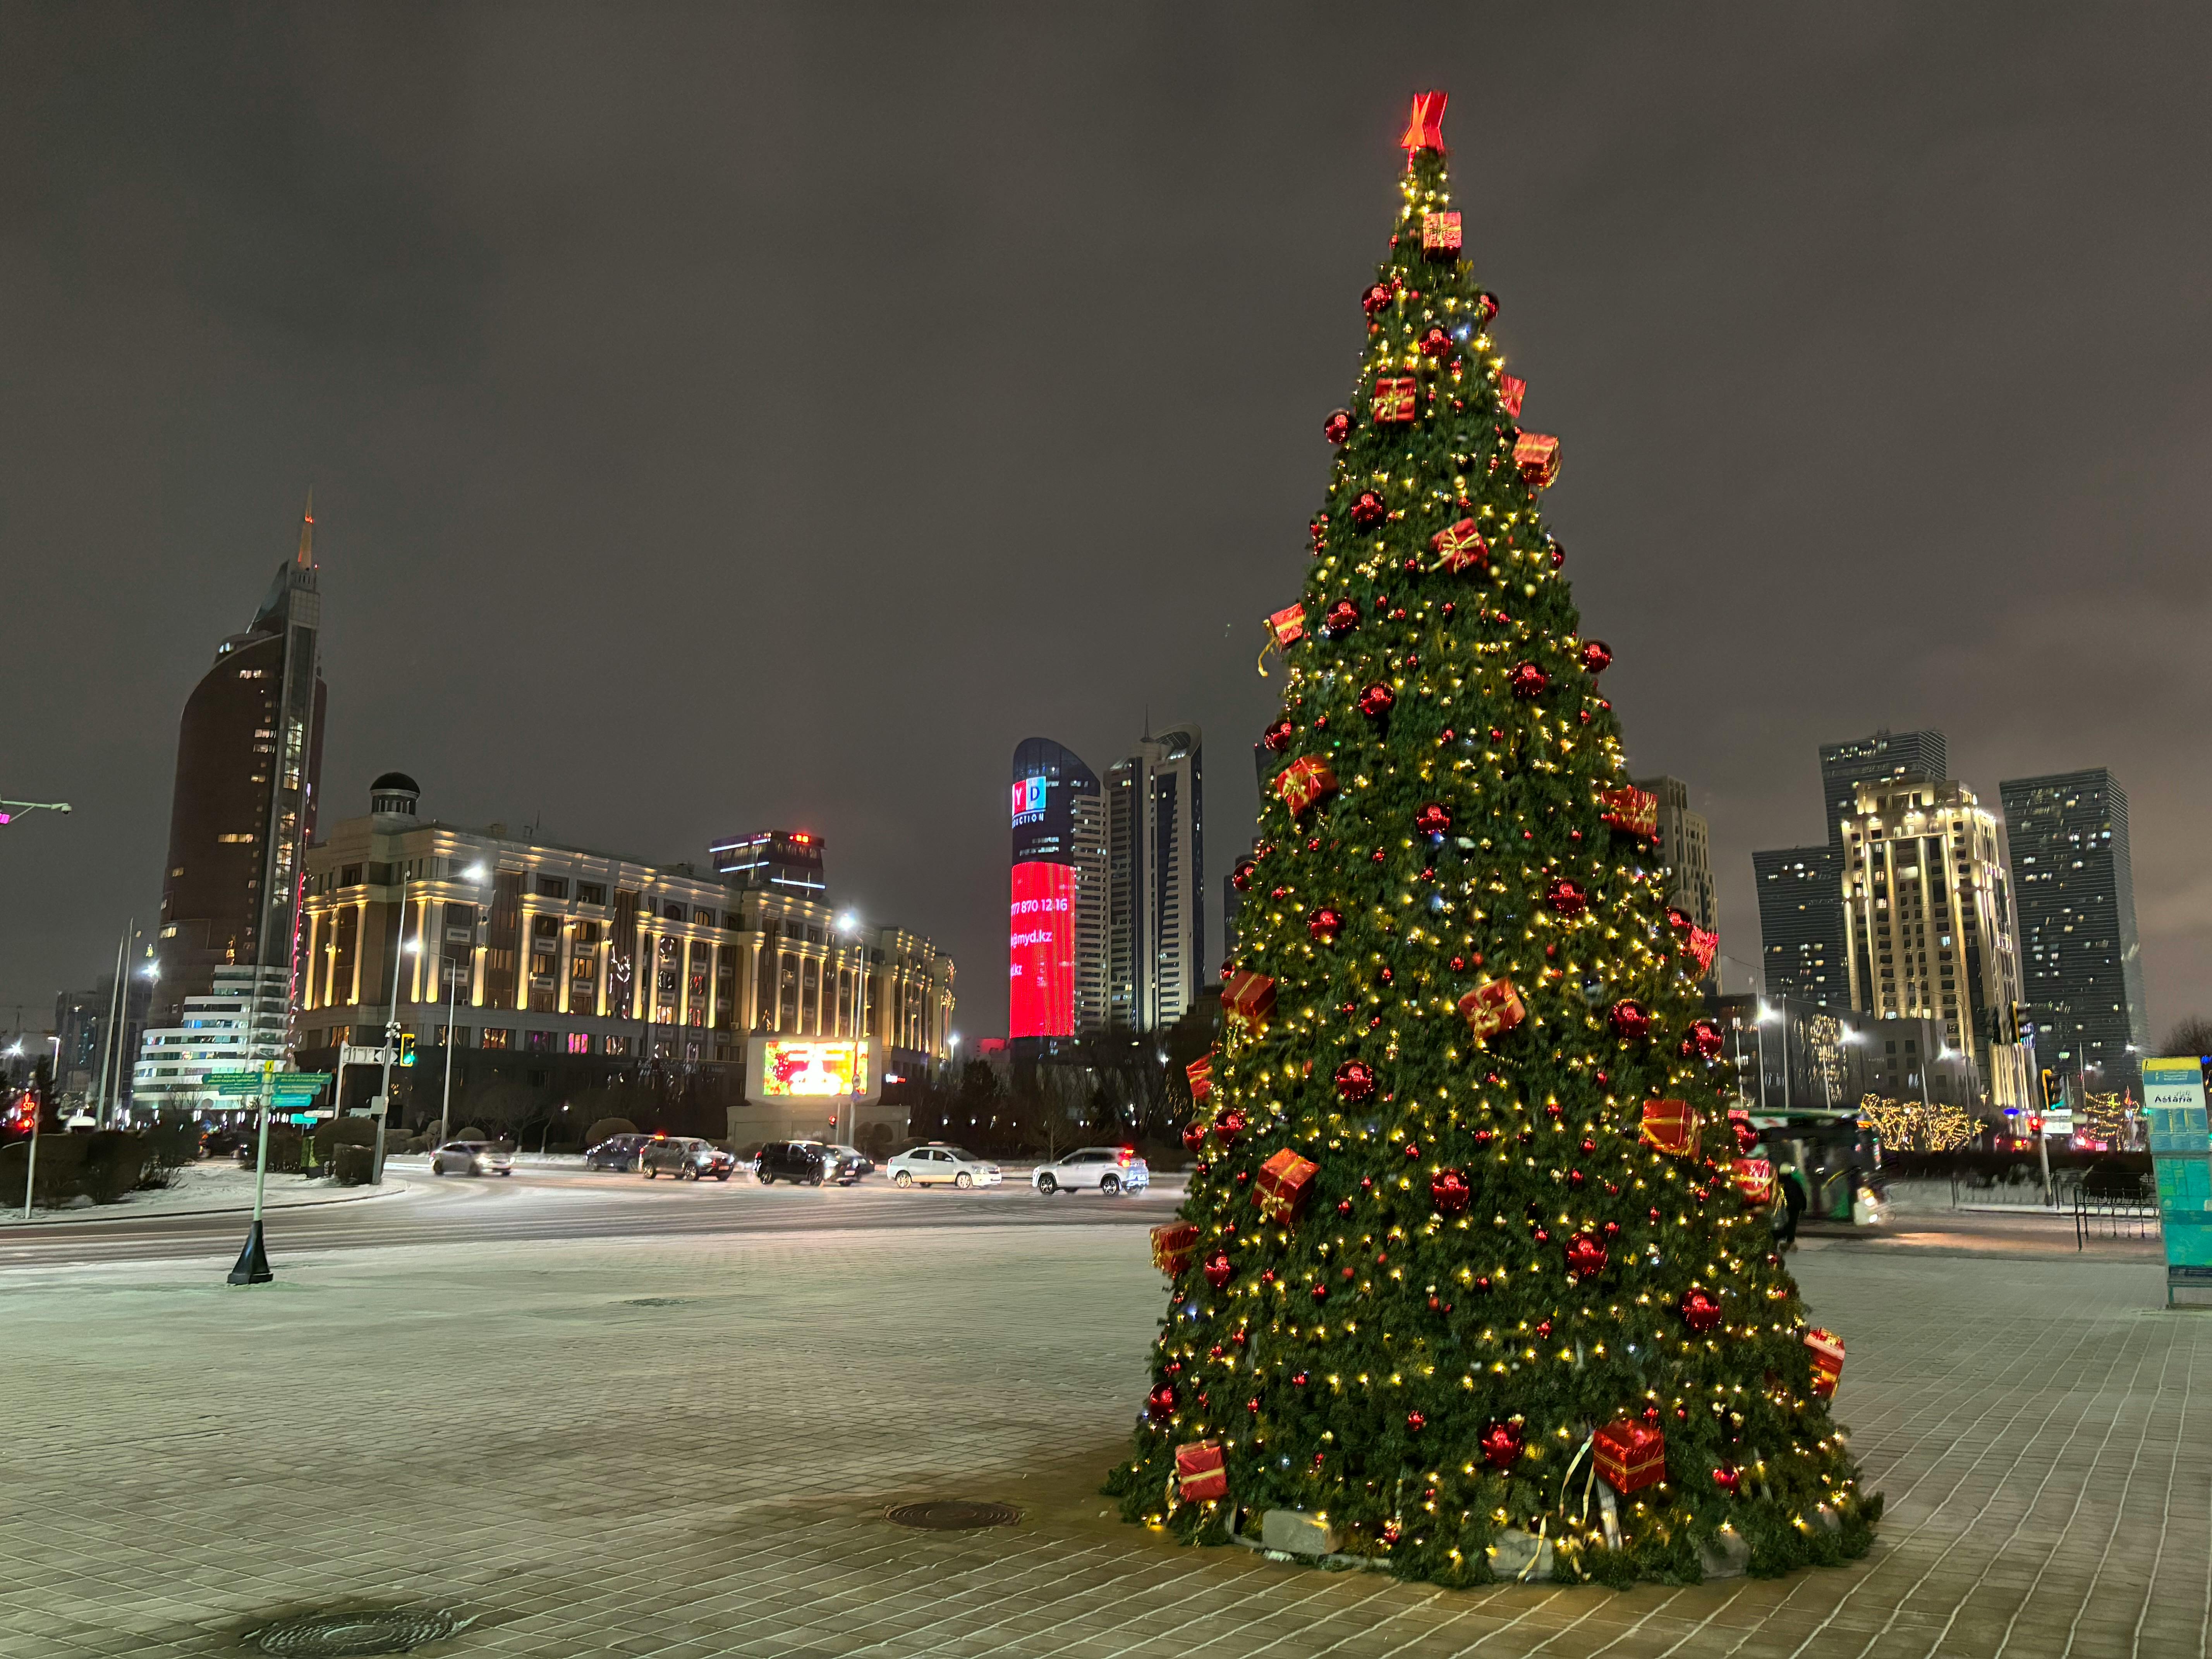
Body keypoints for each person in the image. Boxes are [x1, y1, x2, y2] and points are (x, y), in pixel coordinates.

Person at [1774, 1162, 1808, 1249]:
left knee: (1782, 1223)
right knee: (1792, 1224)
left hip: (1785, 1208)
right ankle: (1789, 1241)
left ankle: (1778, 1239)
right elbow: (1801, 1195)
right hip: (1795, 1207)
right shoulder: (1794, 1183)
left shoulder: (1778, 1184)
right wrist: (1804, 1206)